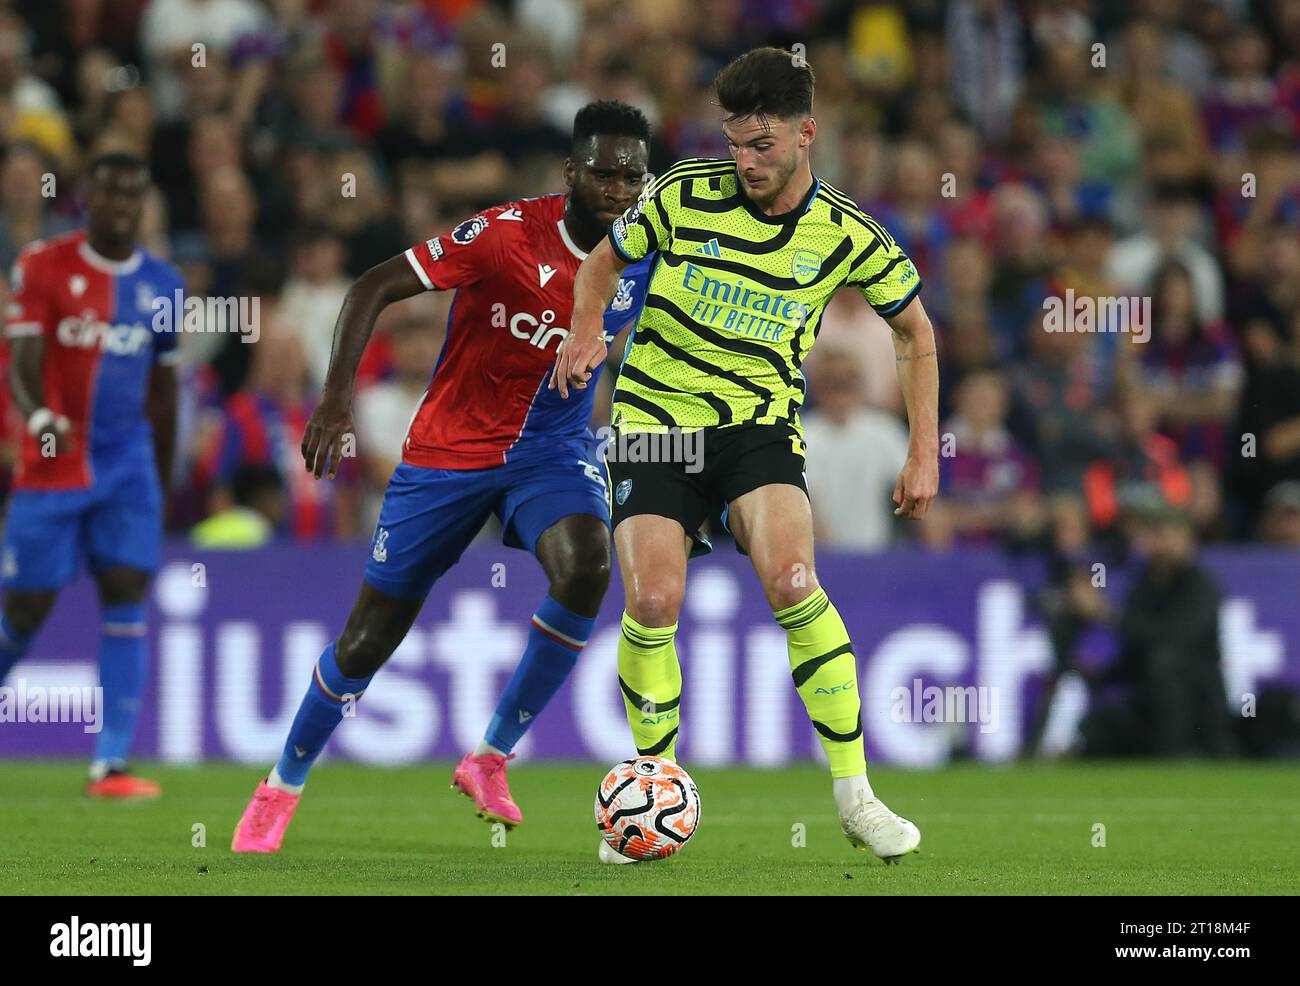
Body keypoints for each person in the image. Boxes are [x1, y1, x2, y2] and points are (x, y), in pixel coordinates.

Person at [232, 100, 655, 852]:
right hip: (446, 455)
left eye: (633, 174)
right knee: (366, 643)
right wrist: (335, 400)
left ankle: (490, 757)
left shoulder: (649, 253)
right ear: (571, 172)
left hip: (550, 454)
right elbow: (371, 287)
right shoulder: (503, 236)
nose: (620, 189)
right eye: (604, 173)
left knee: (589, 564)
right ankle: (282, 783)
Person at [553, 49, 939, 864]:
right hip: (655, 419)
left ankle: (856, 796)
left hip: (757, 427)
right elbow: (601, 264)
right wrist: (589, 334)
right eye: (735, 143)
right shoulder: (682, 194)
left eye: (762, 145)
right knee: (654, 601)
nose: (746, 161)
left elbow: (915, 331)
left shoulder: (846, 232)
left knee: (796, 582)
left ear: (806, 133)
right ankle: (652, 794)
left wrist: (922, 451)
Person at [0, 153, 181, 797]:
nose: (122, 204)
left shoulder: (165, 284)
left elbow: (164, 390)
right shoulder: (43, 264)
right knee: (25, 608)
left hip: (127, 462)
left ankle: (110, 764)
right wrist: (40, 414)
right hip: (53, 458)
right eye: (109, 192)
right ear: (87, 198)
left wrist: (161, 478)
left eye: (134, 192)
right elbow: (20, 357)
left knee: (126, 588)